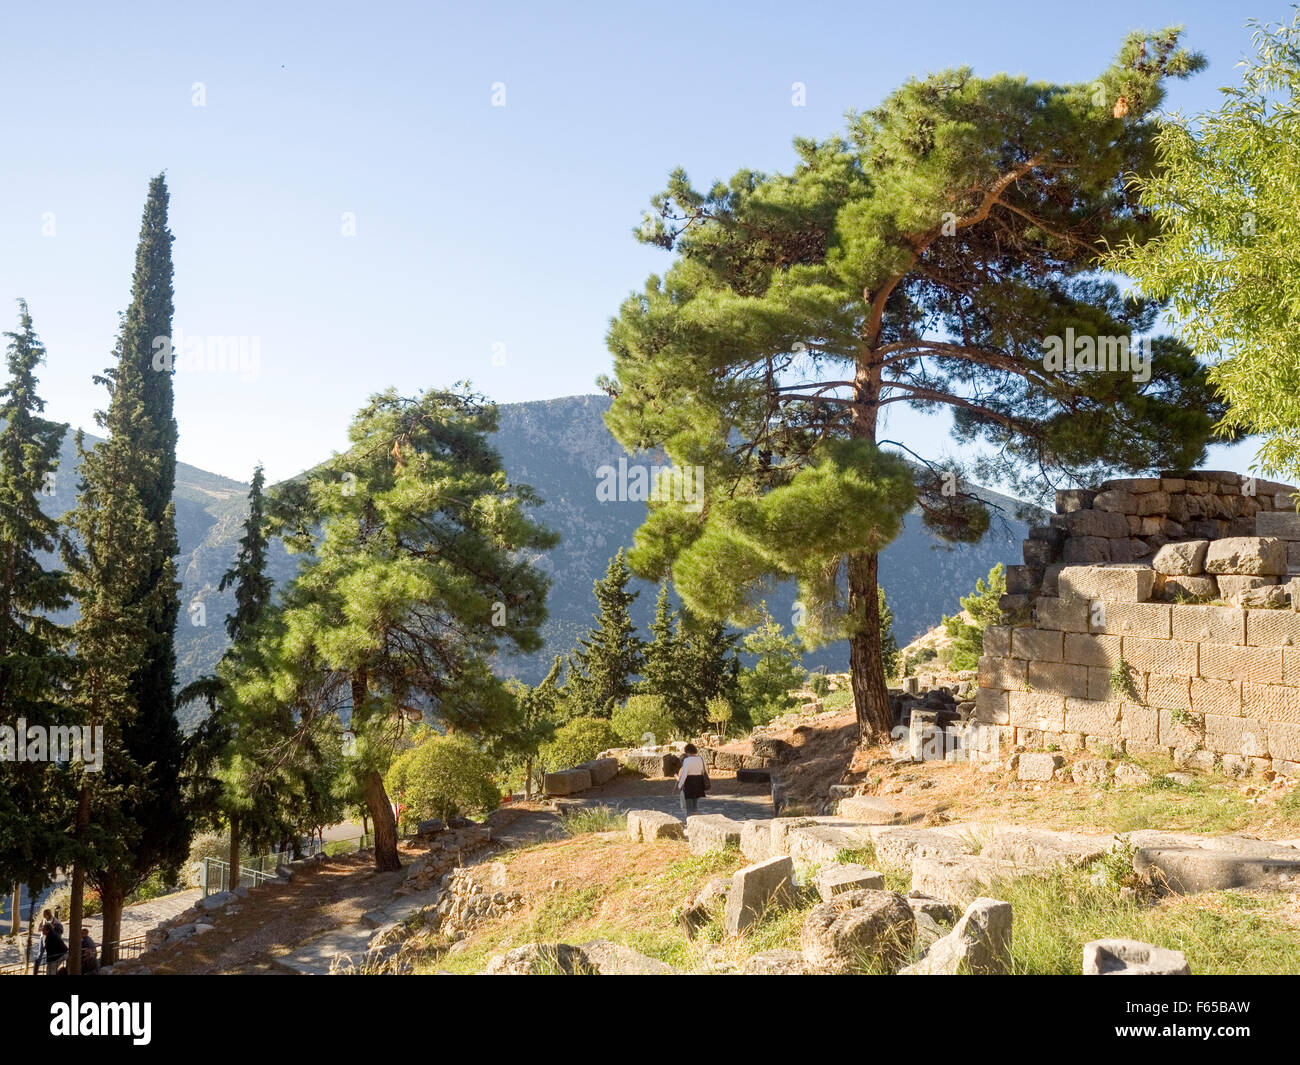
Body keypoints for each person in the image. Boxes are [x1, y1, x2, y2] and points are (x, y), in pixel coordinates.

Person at [676, 743, 710, 819]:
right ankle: (696, 821)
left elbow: (684, 774)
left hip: (689, 784)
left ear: (687, 752)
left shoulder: (687, 760)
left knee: (689, 807)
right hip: (699, 783)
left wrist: (679, 785)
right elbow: (706, 772)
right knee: (695, 806)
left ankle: (690, 823)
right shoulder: (701, 759)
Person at [40, 910, 67, 976]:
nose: (42, 932)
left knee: (51, 969)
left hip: (60, 954)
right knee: (50, 968)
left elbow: (49, 952)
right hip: (62, 953)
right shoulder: (51, 934)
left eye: (43, 930)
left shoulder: (50, 937)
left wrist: (49, 962)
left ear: (47, 930)